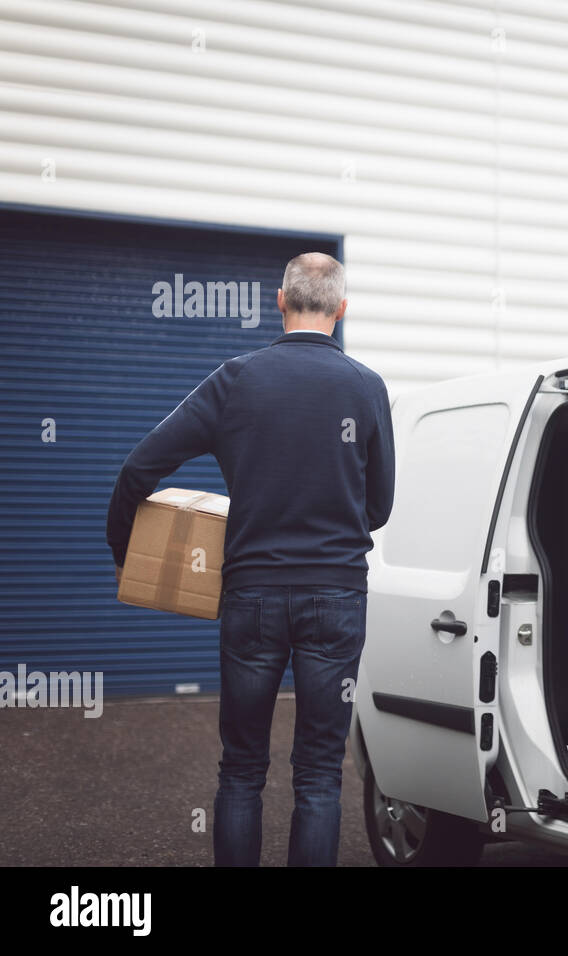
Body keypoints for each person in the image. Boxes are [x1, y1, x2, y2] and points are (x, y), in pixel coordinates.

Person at [105, 252, 395, 866]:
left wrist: (126, 553)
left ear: (280, 301)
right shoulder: (367, 387)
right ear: (341, 310)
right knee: (318, 773)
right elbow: (381, 506)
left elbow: (139, 467)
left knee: (240, 769)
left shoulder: (236, 379)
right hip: (337, 598)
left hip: (253, 597)